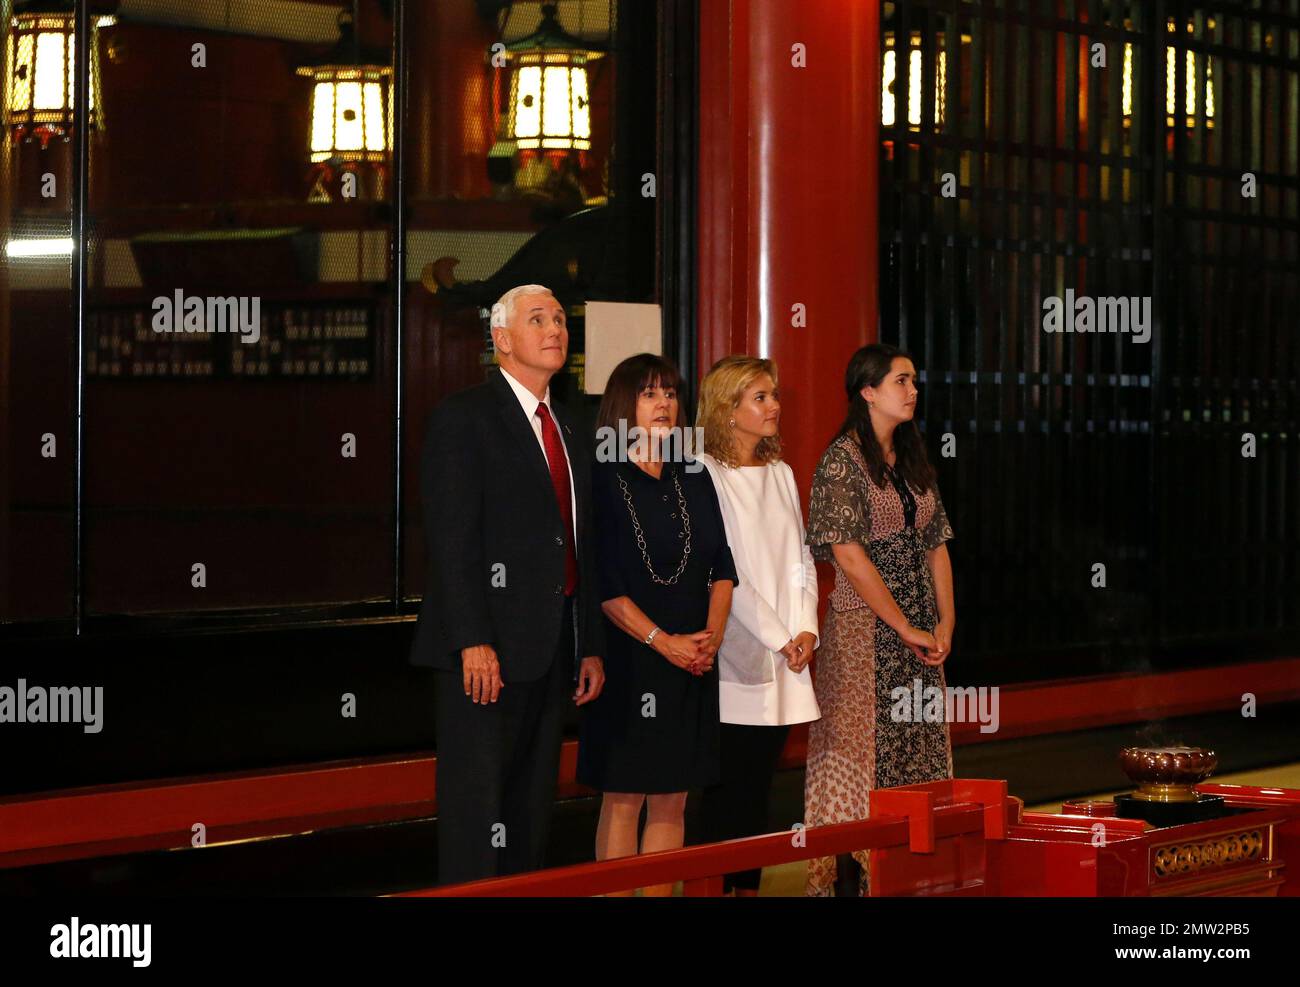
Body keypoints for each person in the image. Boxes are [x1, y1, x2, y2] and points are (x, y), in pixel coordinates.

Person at [408, 284, 605, 885]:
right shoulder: (465, 417)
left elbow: (579, 544)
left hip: (550, 652)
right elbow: (451, 540)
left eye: (560, 321)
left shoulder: (571, 427)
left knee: (529, 810)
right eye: (538, 319)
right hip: (484, 652)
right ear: (501, 340)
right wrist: (472, 639)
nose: (555, 330)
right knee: (478, 811)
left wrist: (588, 642)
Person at [577, 353, 737, 896]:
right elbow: (602, 584)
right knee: (624, 797)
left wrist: (708, 640)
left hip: (693, 658)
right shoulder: (600, 476)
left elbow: (722, 566)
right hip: (626, 658)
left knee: (674, 796)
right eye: (649, 393)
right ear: (624, 405)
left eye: (670, 392)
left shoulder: (692, 472)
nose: (665, 403)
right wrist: (661, 642)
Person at [803, 342, 956, 897]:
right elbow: (847, 554)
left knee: (919, 748)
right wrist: (903, 626)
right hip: (865, 630)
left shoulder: (911, 455)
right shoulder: (842, 459)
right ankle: (854, 883)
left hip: (918, 628)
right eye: (900, 381)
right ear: (867, 391)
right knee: (859, 754)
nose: (912, 390)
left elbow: (937, 544)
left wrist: (944, 625)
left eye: (914, 380)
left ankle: (913, 878)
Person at [695, 355, 820, 896]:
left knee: (761, 786)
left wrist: (807, 628)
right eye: (760, 397)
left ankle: (747, 889)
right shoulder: (705, 472)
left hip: (790, 647)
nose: (774, 406)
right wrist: (778, 638)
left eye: (774, 395)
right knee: (729, 788)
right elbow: (727, 571)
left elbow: (802, 558)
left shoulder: (782, 473)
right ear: (727, 410)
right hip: (737, 650)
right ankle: (715, 887)